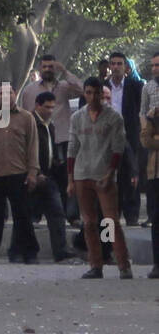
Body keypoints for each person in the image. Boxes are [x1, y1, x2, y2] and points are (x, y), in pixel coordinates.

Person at [69, 77, 131, 279]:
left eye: (97, 93)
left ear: (102, 95)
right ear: (84, 93)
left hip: (104, 174)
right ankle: (96, 264)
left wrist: (110, 173)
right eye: (88, 92)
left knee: (110, 221)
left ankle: (122, 263)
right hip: (82, 174)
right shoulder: (77, 117)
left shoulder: (113, 117)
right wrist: (70, 179)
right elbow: (72, 148)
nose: (93, 97)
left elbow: (118, 148)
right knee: (88, 222)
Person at [0, 84, 38, 264]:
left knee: (23, 216)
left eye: (9, 92)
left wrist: (32, 172)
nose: (5, 96)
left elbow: (33, 147)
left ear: (15, 94)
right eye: (1, 93)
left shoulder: (26, 118)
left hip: (19, 173)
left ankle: (29, 253)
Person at [19, 54, 82, 217]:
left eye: (51, 66)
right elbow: (25, 115)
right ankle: (36, 215)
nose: (48, 69)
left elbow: (82, 89)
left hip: (62, 138)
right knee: (39, 176)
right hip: (39, 140)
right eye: (45, 66)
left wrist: (65, 71)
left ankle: (70, 215)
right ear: (40, 68)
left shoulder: (64, 87)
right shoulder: (30, 90)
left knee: (66, 178)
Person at [30, 91, 73, 264]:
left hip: (48, 178)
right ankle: (23, 251)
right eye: (46, 107)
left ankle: (60, 251)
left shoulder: (50, 125)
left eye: (52, 107)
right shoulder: (30, 123)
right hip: (32, 177)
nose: (50, 111)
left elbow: (50, 149)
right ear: (37, 106)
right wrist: (34, 172)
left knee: (57, 213)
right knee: (25, 216)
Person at [105, 51, 144, 225]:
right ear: (109, 66)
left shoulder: (136, 86)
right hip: (106, 139)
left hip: (130, 136)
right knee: (111, 176)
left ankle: (132, 216)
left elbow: (141, 111)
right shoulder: (102, 87)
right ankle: (113, 215)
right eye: (113, 64)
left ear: (126, 67)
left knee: (131, 175)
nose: (115, 67)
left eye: (119, 64)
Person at [141, 51, 159, 277]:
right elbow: (145, 133)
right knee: (156, 218)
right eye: (154, 66)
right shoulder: (147, 88)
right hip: (155, 169)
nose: (155, 69)